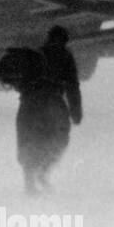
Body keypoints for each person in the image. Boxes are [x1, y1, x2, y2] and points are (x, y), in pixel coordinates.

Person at [13, 26, 82, 194]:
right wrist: (75, 111)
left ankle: (29, 181)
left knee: (28, 140)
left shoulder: (35, 54)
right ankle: (43, 172)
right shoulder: (65, 56)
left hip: (29, 104)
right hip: (53, 104)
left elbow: (20, 82)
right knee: (58, 140)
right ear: (64, 40)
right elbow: (72, 86)